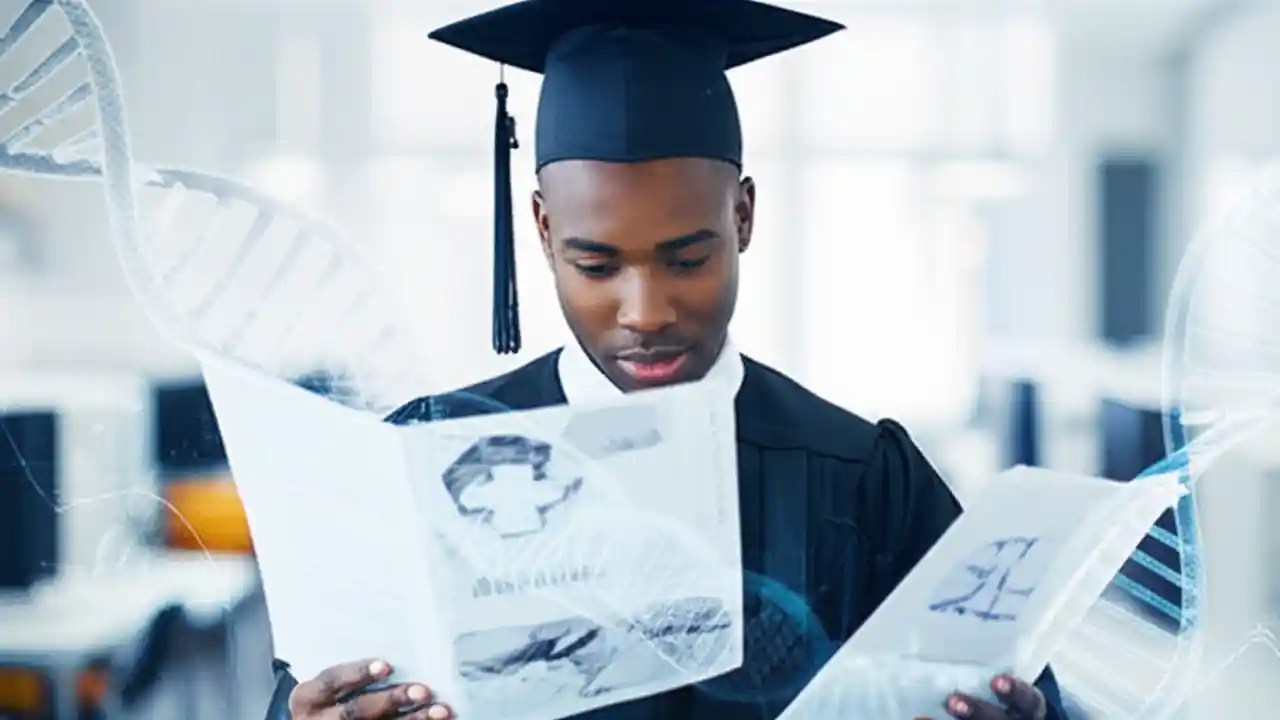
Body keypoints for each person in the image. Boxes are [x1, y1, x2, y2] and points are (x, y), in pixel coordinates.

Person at [269, 1, 1070, 718]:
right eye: (595, 265)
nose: (645, 311)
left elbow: (1023, 687)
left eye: (688, 259)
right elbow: (305, 693)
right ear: (544, 231)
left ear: (744, 216)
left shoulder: (861, 477)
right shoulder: (418, 460)